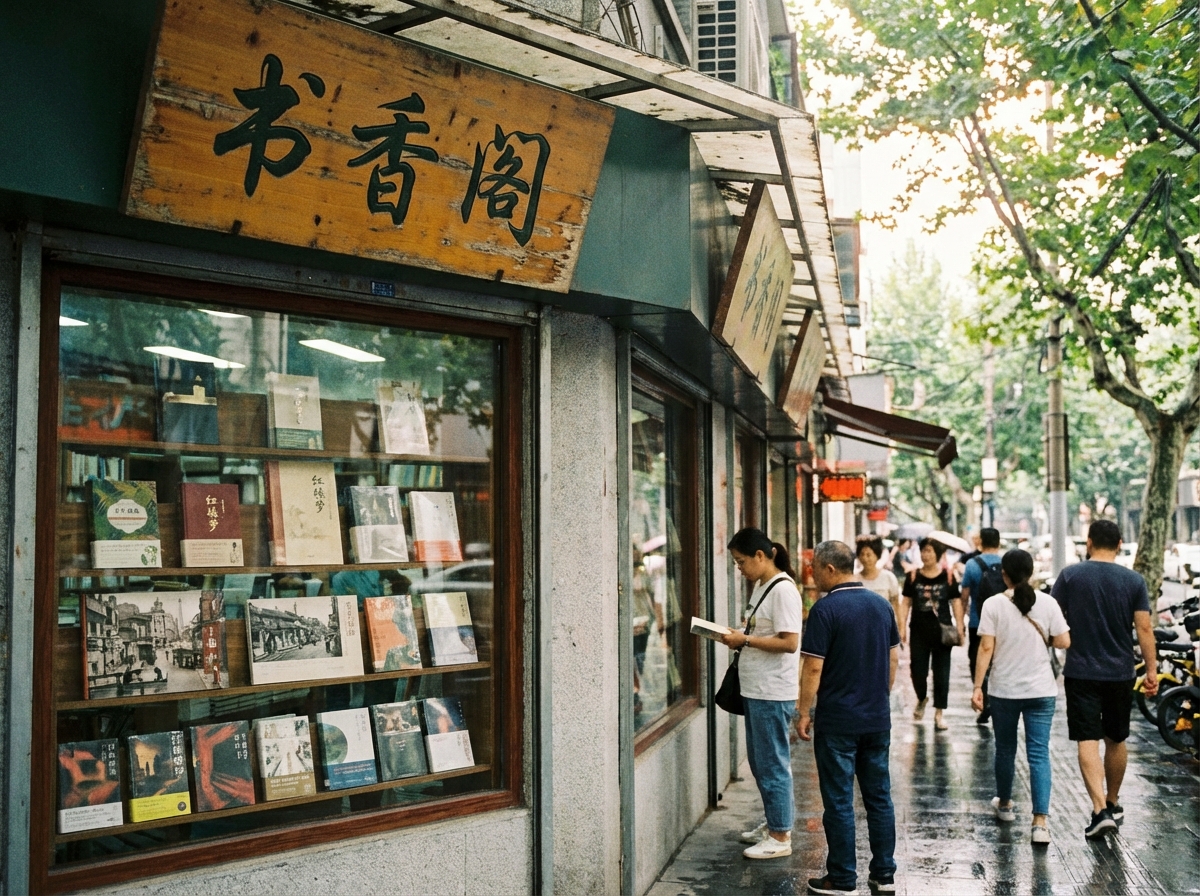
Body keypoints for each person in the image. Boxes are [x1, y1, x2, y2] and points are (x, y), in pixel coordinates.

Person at [797, 540, 900, 896]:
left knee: (839, 801)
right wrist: (879, 698)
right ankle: (884, 874)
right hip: (876, 720)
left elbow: (813, 667)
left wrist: (803, 711)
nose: (811, 576)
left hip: (838, 722)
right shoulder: (881, 605)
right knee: (879, 798)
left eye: (813, 569)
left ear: (829, 569)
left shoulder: (826, 611)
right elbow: (894, 660)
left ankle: (841, 878)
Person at [1052, 519, 1158, 839]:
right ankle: (1111, 803)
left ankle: (1099, 811)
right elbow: (1144, 629)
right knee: (1116, 738)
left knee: (1088, 740)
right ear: (1120, 543)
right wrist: (1152, 670)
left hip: (1081, 671)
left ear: (1088, 542)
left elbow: (1053, 620)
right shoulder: (1133, 580)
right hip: (1120, 672)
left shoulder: (1070, 576)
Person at [971, 549, 1071, 844]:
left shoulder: (994, 605)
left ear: (1004, 574)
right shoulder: (1048, 602)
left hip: (1004, 690)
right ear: (1031, 572)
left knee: (1005, 749)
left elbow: (986, 648)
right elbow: (1064, 640)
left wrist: (978, 686)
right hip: (1041, 691)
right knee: (1039, 753)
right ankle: (1040, 823)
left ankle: (1004, 805)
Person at [718, 528, 802, 860]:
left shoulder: (783, 590)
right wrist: (739, 634)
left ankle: (780, 835)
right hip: (756, 688)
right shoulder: (761, 585)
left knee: (772, 763)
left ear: (760, 556)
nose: (739, 569)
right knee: (760, 760)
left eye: (741, 562)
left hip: (772, 690)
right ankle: (774, 823)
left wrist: (746, 641)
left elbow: (790, 642)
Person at [898, 538, 963, 731]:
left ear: (938, 554)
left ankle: (939, 713)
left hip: (943, 632)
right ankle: (921, 697)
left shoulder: (949, 576)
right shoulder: (913, 576)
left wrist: (960, 627)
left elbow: (956, 603)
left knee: (942, 673)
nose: (926, 555)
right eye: (923, 551)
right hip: (918, 630)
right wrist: (901, 626)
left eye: (929, 551)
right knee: (917, 670)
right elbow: (906, 603)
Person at [961, 527, 1005, 723]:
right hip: (1003, 623)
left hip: (978, 623)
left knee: (976, 660)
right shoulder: (1006, 563)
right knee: (999, 662)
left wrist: (961, 619)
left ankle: (984, 697)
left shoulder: (972, 564)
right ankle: (997, 700)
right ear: (998, 542)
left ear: (980, 543)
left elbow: (964, 596)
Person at [856, 534, 901, 619]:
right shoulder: (853, 579)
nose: (865, 558)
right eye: (862, 554)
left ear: (877, 555)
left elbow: (896, 606)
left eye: (869, 555)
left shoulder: (889, 578)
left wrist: (901, 629)